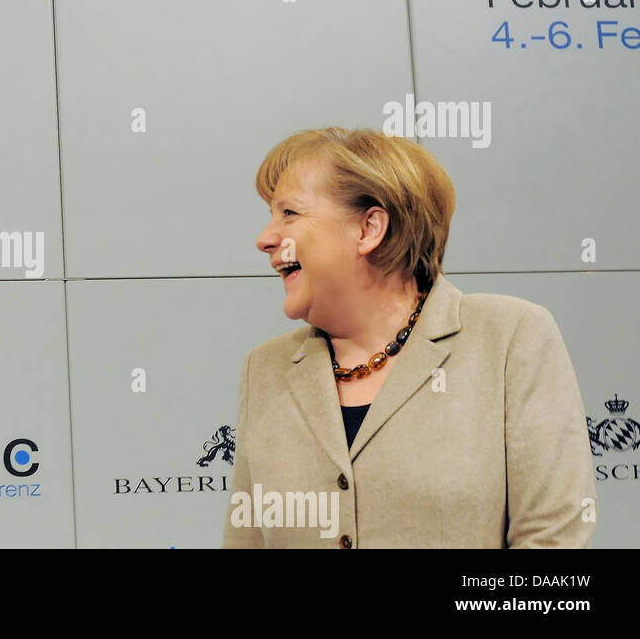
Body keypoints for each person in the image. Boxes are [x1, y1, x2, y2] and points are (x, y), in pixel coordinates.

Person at [222, 127, 597, 548]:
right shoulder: (265, 369)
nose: (265, 238)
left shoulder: (508, 337)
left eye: (289, 213)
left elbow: (552, 538)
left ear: (369, 228)